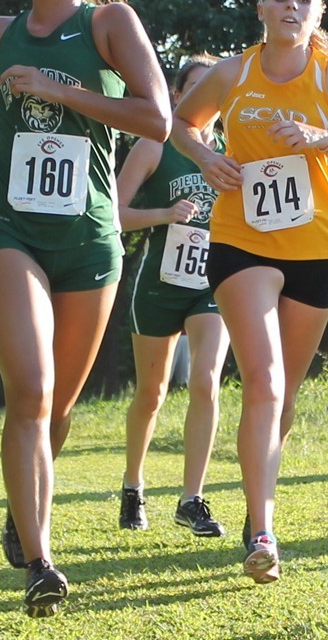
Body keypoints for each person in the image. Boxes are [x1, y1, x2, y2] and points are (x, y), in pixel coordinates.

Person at [0, 0, 170, 617]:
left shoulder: (108, 25)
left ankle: (20, 505)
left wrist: (61, 88)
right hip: (11, 230)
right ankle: (40, 559)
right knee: (30, 390)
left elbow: (158, 117)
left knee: (58, 405)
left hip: (90, 236)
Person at [172, 0, 328, 585]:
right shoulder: (232, 73)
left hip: (314, 254)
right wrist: (207, 158)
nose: (291, 8)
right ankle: (264, 529)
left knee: (284, 394)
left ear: (318, 11)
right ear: (261, 7)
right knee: (264, 381)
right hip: (241, 243)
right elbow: (183, 122)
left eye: (304, 0)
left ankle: (253, 502)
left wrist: (326, 141)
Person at [116, 55, 231, 538]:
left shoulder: (237, 147)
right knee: (152, 393)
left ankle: (191, 498)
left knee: (206, 381)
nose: (205, 98)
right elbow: (116, 215)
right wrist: (163, 214)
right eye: (194, 88)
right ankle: (133, 485)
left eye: (214, 90)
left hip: (212, 283)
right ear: (178, 96)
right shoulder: (155, 144)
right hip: (159, 284)